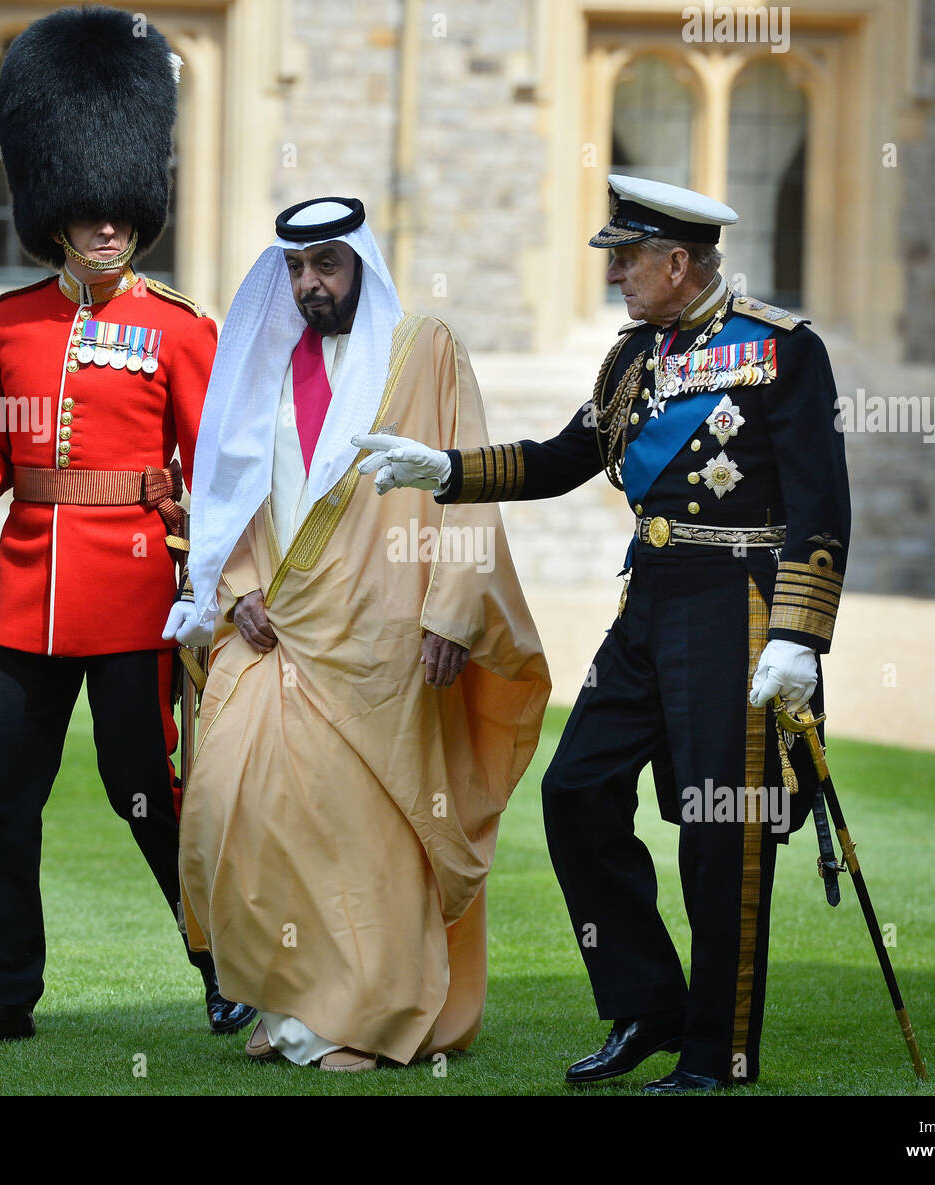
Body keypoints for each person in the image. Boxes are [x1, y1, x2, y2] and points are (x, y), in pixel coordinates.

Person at [358, 174, 851, 1093]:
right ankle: (648, 1004)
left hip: (738, 609)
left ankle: (720, 1052)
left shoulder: (783, 349)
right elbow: (563, 457)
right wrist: (449, 469)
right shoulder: (634, 358)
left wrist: (800, 636)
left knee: (723, 835)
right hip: (652, 601)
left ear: (677, 261)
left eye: (628, 258)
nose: (616, 273)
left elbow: (823, 505)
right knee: (576, 790)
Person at [0, 6, 253, 1046]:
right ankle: (2, 993)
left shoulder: (177, 326)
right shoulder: (4, 322)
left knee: (143, 792)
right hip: (26, 598)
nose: (107, 226)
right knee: (1, 805)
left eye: (121, 211)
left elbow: (220, 470)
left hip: (134, 593)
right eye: (90, 210)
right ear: (56, 210)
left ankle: (220, 965)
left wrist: (217, 588)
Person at [168, 197, 550, 1070]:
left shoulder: (424, 350)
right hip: (270, 627)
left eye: (327, 266)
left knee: (363, 829)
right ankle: (292, 1001)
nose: (311, 284)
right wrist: (236, 587)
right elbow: (228, 488)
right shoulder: (260, 358)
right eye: (298, 269)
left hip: (386, 634)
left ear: (361, 267)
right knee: (235, 805)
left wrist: (455, 608)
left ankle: (367, 1021)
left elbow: (467, 473)